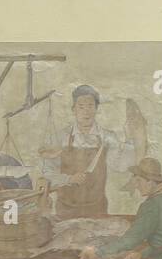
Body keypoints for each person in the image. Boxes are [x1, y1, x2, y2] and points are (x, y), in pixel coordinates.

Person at [39, 85, 143, 220]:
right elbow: (47, 175)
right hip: (66, 210)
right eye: (81, 107)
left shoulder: (108, 137)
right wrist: (68, 179)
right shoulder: (60, 138)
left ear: (96, 109)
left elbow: (120, 166)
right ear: (73, 110)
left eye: (90, 106)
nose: (86, 112)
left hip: (97, 209)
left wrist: (129, 140)